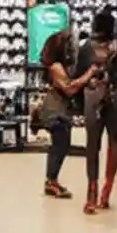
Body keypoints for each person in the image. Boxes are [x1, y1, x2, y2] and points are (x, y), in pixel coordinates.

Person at [72, 12, 117, 214]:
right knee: (110, 142)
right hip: (112, 96)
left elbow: (78, 75)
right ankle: (103, 190)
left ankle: (95, 192)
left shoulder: (88, 48)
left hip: (96, 96)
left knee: (95, 144)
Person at [39, 27, 78, 198]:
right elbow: (69, 90)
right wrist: (87, 76)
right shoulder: (56, 67)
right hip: (55, 110)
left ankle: (52, 180)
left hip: (60, 109)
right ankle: (50, 180)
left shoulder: (61, 66)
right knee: (60, 145)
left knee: (61, 145)